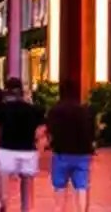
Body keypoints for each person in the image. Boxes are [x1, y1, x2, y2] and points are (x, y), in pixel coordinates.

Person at [0, 78, 44, 212]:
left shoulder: (1, 109)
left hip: (5, 149)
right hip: (27, 150)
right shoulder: (33, 110)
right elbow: (40, 132)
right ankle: (25, 208)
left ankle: (4, 203)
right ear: (22, 92)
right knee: (27, 182)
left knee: (4, 180)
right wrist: (39, 149)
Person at [45, 83, 95, 212]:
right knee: (81, 187)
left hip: (61, 153)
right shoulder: (85, 111)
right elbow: (92, 133)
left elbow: (49, 131)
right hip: (82, 154)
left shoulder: (55, 111)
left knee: (60, 189)